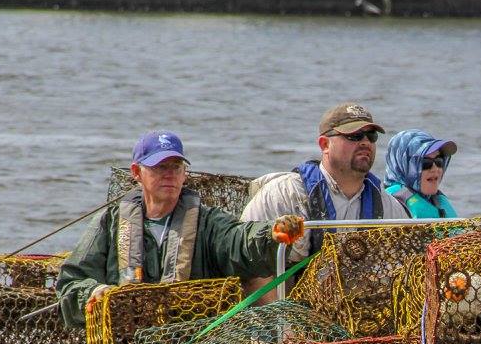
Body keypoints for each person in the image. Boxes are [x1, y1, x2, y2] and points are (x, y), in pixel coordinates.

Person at [56, 130, 304, 327]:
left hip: (190, 343)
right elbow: (71, 281)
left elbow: (238, 240)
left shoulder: (207, 222)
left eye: (175, 167)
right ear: (136, 172)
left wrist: (271, 234)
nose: (169, 175)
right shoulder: (109, 222)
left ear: (185, 174)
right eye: (159, 167)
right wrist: (95, 292)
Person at [241, 103, 409, 272]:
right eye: (354, 135)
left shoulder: (389, 208)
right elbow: (251, 266)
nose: (365, 142)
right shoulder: (284, 194)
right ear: (324, 145)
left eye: (371, 136)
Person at [384, 129, 459, 219]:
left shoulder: (435, 200)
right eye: (425, 162)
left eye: (439, 161)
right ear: (403, 164)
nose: (435, 169)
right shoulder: (388, 204)